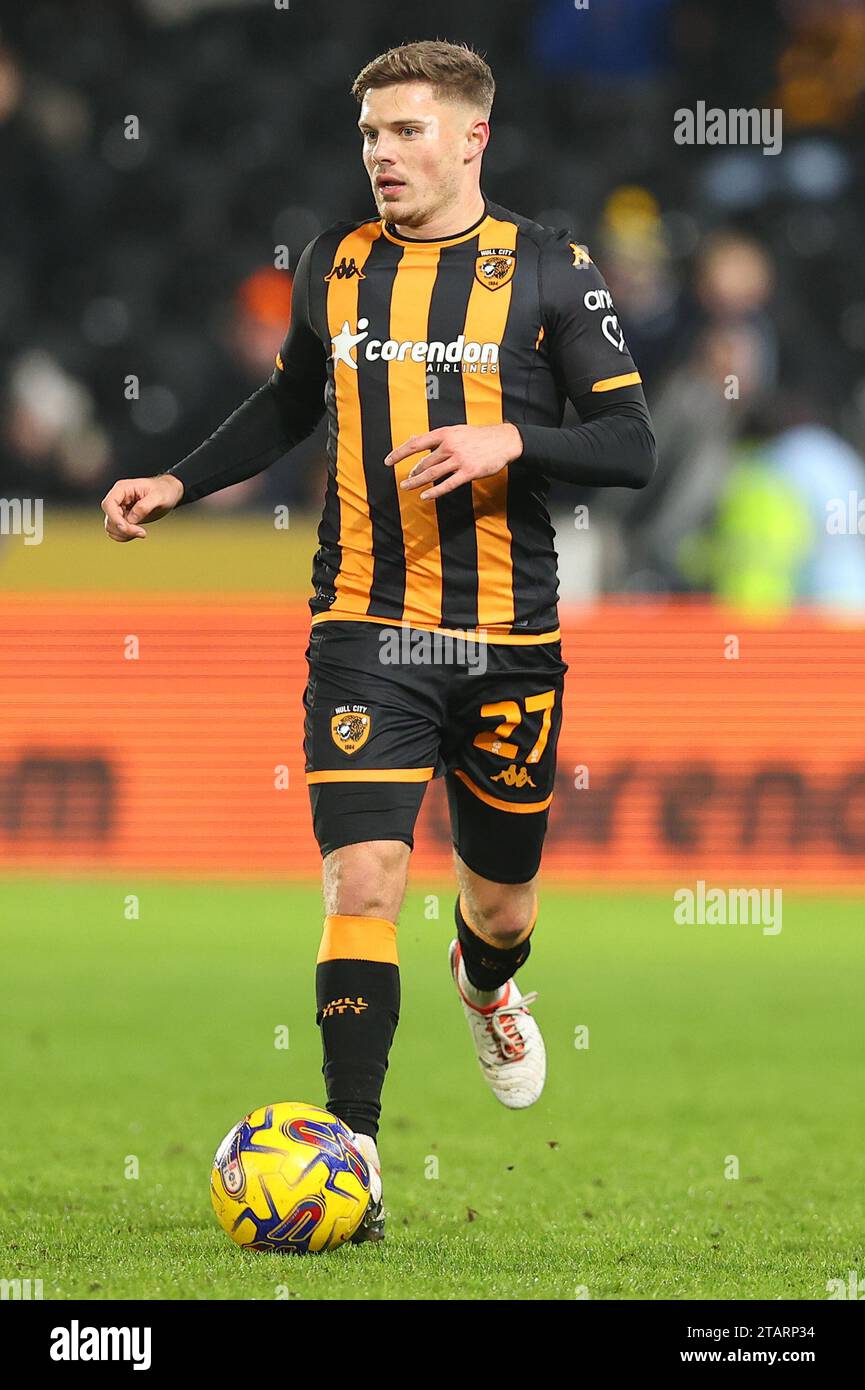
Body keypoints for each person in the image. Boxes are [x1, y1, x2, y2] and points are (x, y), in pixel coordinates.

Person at [101, 39, 656, 1243]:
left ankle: (485, 985)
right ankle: (353, 1145)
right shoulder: (336, 263)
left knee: (501, 905)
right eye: (368, 135)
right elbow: (296, 400)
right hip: (364, 626)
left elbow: (632, 445)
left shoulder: (550, 271)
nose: (383, 156)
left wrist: (514, 440)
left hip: (510, 635)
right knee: (363, 876)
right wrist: (180, 479)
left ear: (472, 138)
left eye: (407, 132)